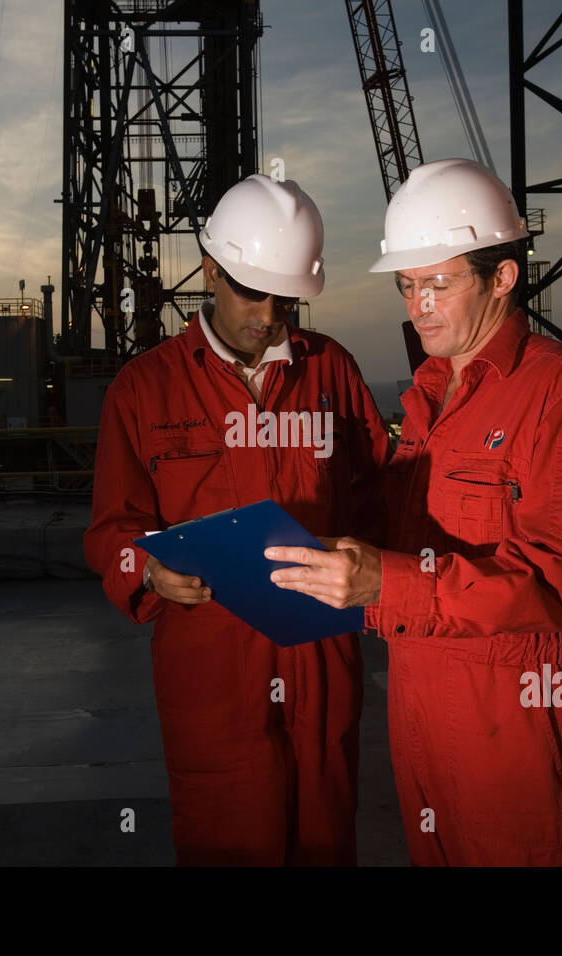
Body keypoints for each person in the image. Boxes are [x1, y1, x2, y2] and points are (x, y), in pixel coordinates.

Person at [267, 158, 562, 865]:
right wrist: (338, 563)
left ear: (504, 277)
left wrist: (388, 583)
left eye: (439, 283)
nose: (419, 306)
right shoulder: (428, 398)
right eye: (408, 286)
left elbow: (557, 584)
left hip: (516, 725)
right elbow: (412, 548)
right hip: (420, 715)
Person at [83, 173, 390, 865]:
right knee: (228, 837)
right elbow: (111, 530)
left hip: (320, 654)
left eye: (286, 297)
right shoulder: (144, 388)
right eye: (253, 291)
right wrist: (149, 572)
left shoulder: (331, 371)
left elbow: (380, 499)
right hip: (211, 662)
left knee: (324, 834)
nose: (270, 313)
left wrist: (376, 572)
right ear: (211, 271)